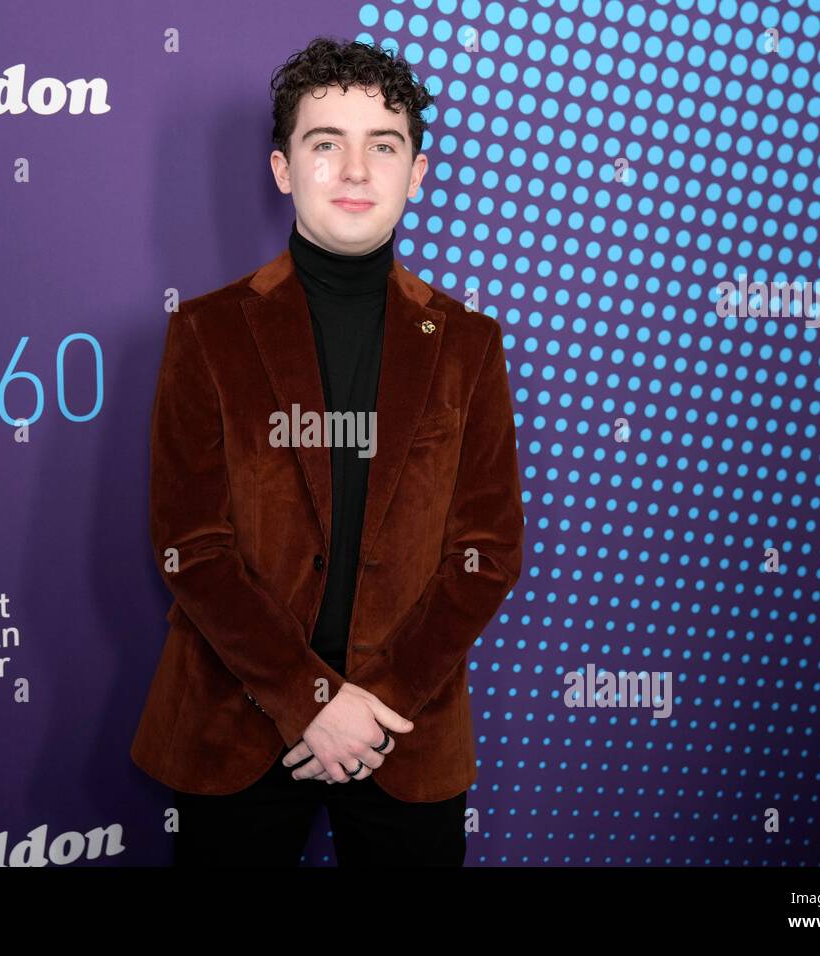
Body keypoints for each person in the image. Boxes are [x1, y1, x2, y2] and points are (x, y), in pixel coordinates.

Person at [130, 36, 525, 866]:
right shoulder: (207, 333)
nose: (355, 170)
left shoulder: (469, 344)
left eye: (383, 146)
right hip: (234, 723)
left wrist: (369, 703)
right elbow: (191, 547)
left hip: (402, 730)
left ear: (416, 174)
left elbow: (487, 552)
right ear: (283, 169)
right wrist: (311, 698)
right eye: (325, 143)